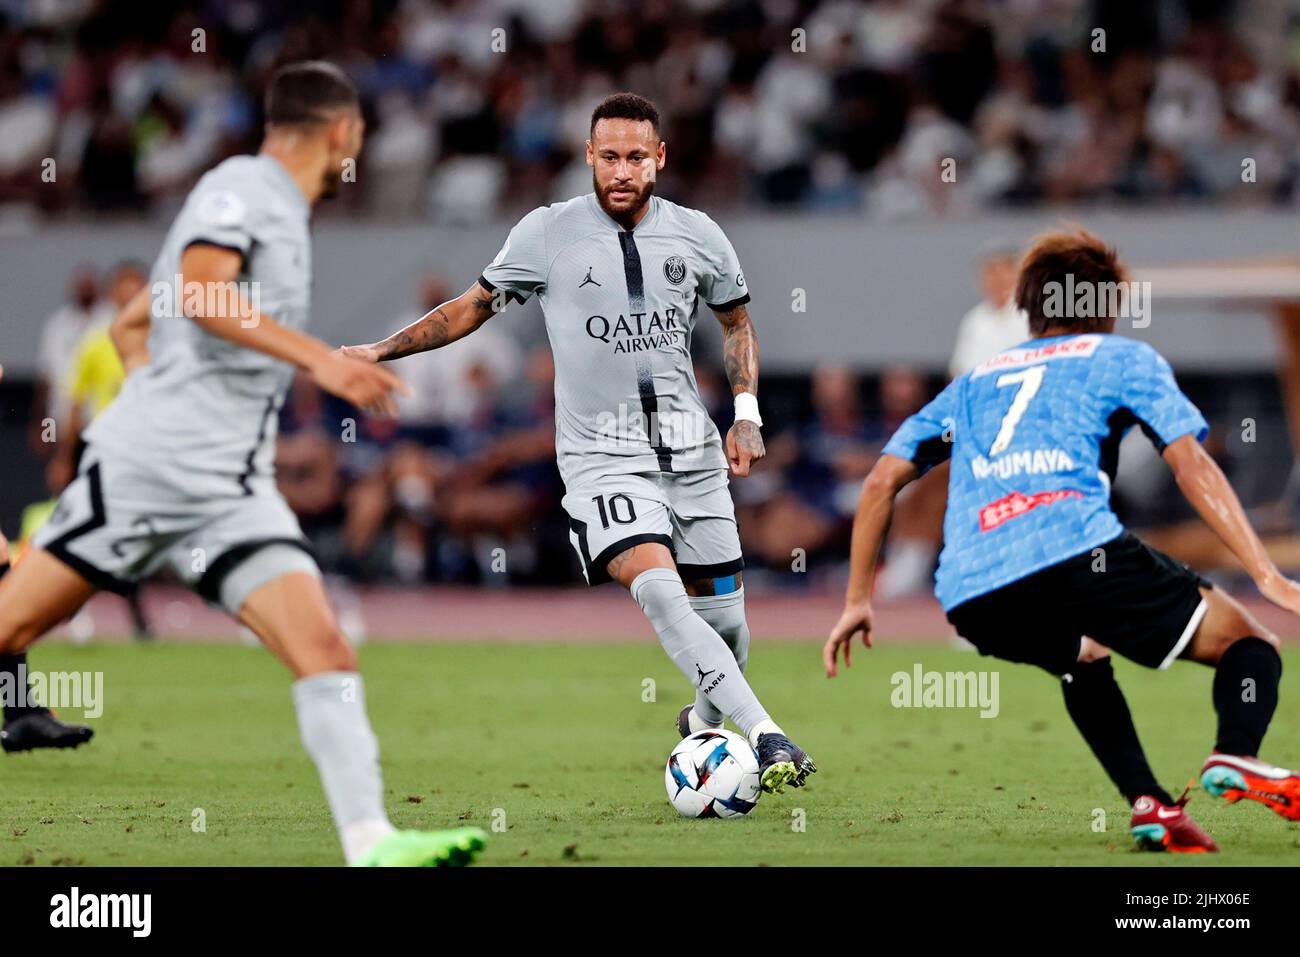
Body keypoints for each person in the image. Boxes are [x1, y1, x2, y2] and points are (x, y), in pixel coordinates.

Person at [0, 61, 485, 867]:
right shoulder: (245, 187)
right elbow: (199, 291)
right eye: (357, 136)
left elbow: (135, 320)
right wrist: (318, 362)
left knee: (324, 648)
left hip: (230, 488)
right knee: (11, 627)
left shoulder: (281, 215)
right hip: (152, 471)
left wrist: (156, 373)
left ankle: (372, 842)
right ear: (341, 132)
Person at [343, 92, 816, 794]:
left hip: (691, 453)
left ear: (659, 159)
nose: (621, 170)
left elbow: (737, 322)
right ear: (589, 157)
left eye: (635, 157)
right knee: (660, 591)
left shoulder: (700, 234)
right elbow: (471, 306)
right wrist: (384, 349)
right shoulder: (546, 233)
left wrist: (745, 411)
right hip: (603, 456)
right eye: (608, 156)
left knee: (730, 630)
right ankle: (768, 735)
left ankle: (704, 721)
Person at [825, 227, 1300, 852]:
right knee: (1249, 645)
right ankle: (1234, 755)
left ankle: (1152, 808)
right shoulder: (1122, 360)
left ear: (1027, 306)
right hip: (1080, 553)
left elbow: (883, 480)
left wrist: (859, 597)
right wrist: (1264, 570)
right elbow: (1192, 465)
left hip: (971, 591)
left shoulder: (975, 381)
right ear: (1106, 307)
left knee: (1083, 655)